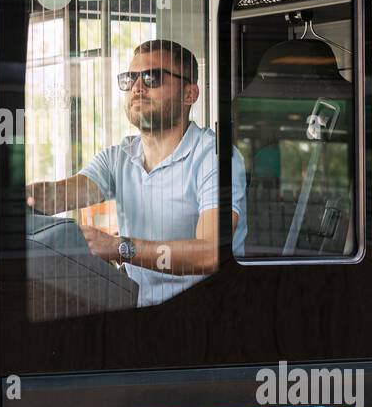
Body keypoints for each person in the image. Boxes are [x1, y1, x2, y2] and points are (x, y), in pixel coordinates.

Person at [27, 39, 246, 307]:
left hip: (206, 317)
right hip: (139, 313)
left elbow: (212, 253)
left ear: (190, 94)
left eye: (152, 77)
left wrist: (121, 247)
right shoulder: (119, 157)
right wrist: (21, 196)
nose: (137, 87)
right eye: (129, 78)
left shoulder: (214, 157)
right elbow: (57, 196)